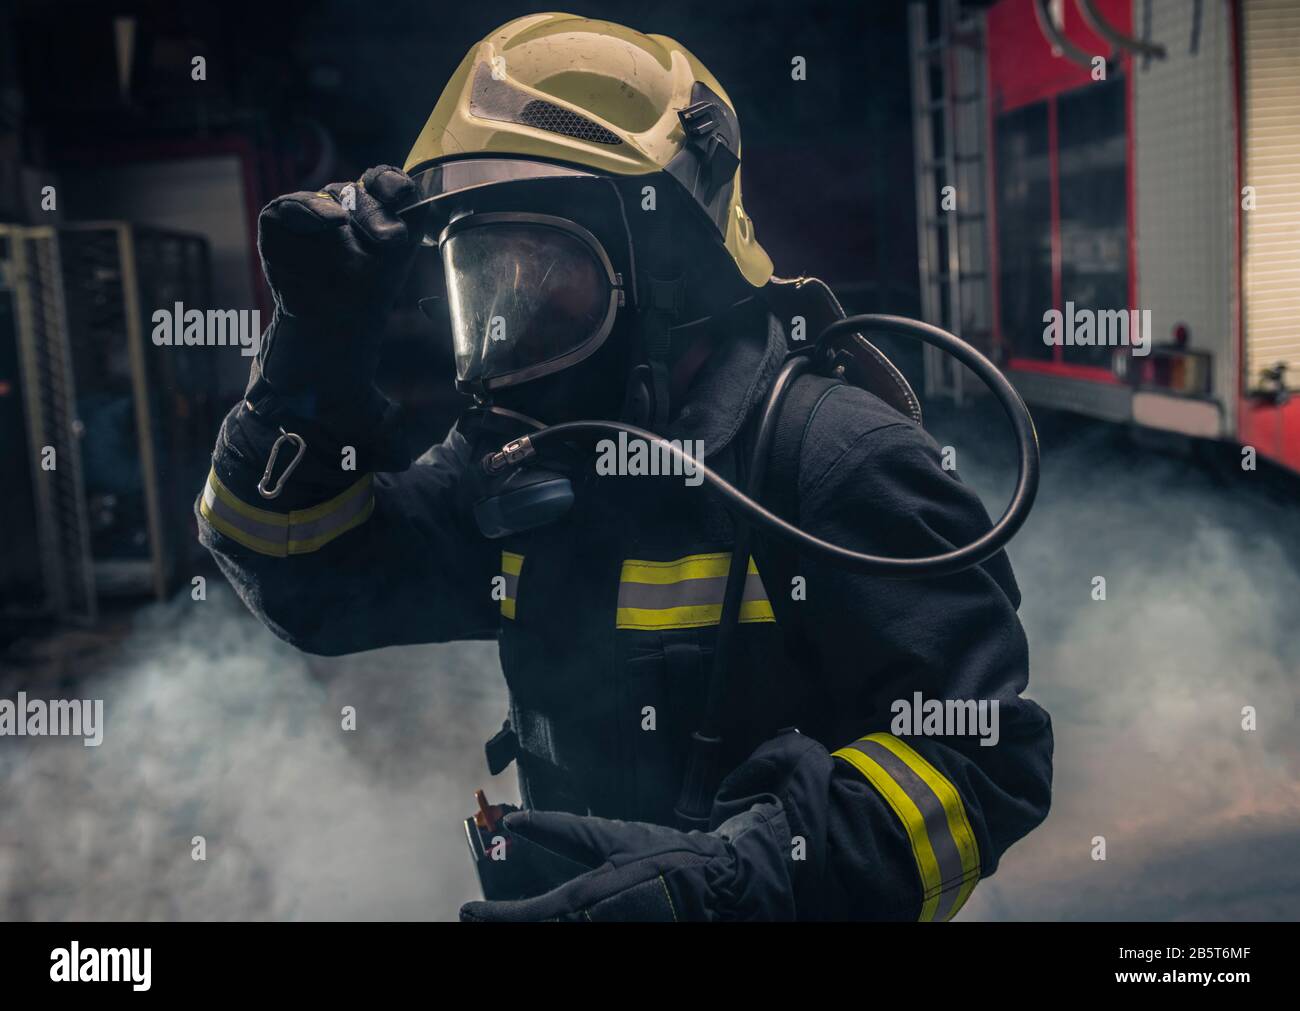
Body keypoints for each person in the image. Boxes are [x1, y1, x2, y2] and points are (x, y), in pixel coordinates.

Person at [197, 13, 1052, 921]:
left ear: (665, 272)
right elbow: (303, 577)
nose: (503, 331)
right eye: (480, 288)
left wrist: (729, 887)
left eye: (536, 277)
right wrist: (312, 359)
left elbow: (981, 761)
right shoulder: (516, 468)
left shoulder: (828, 458)